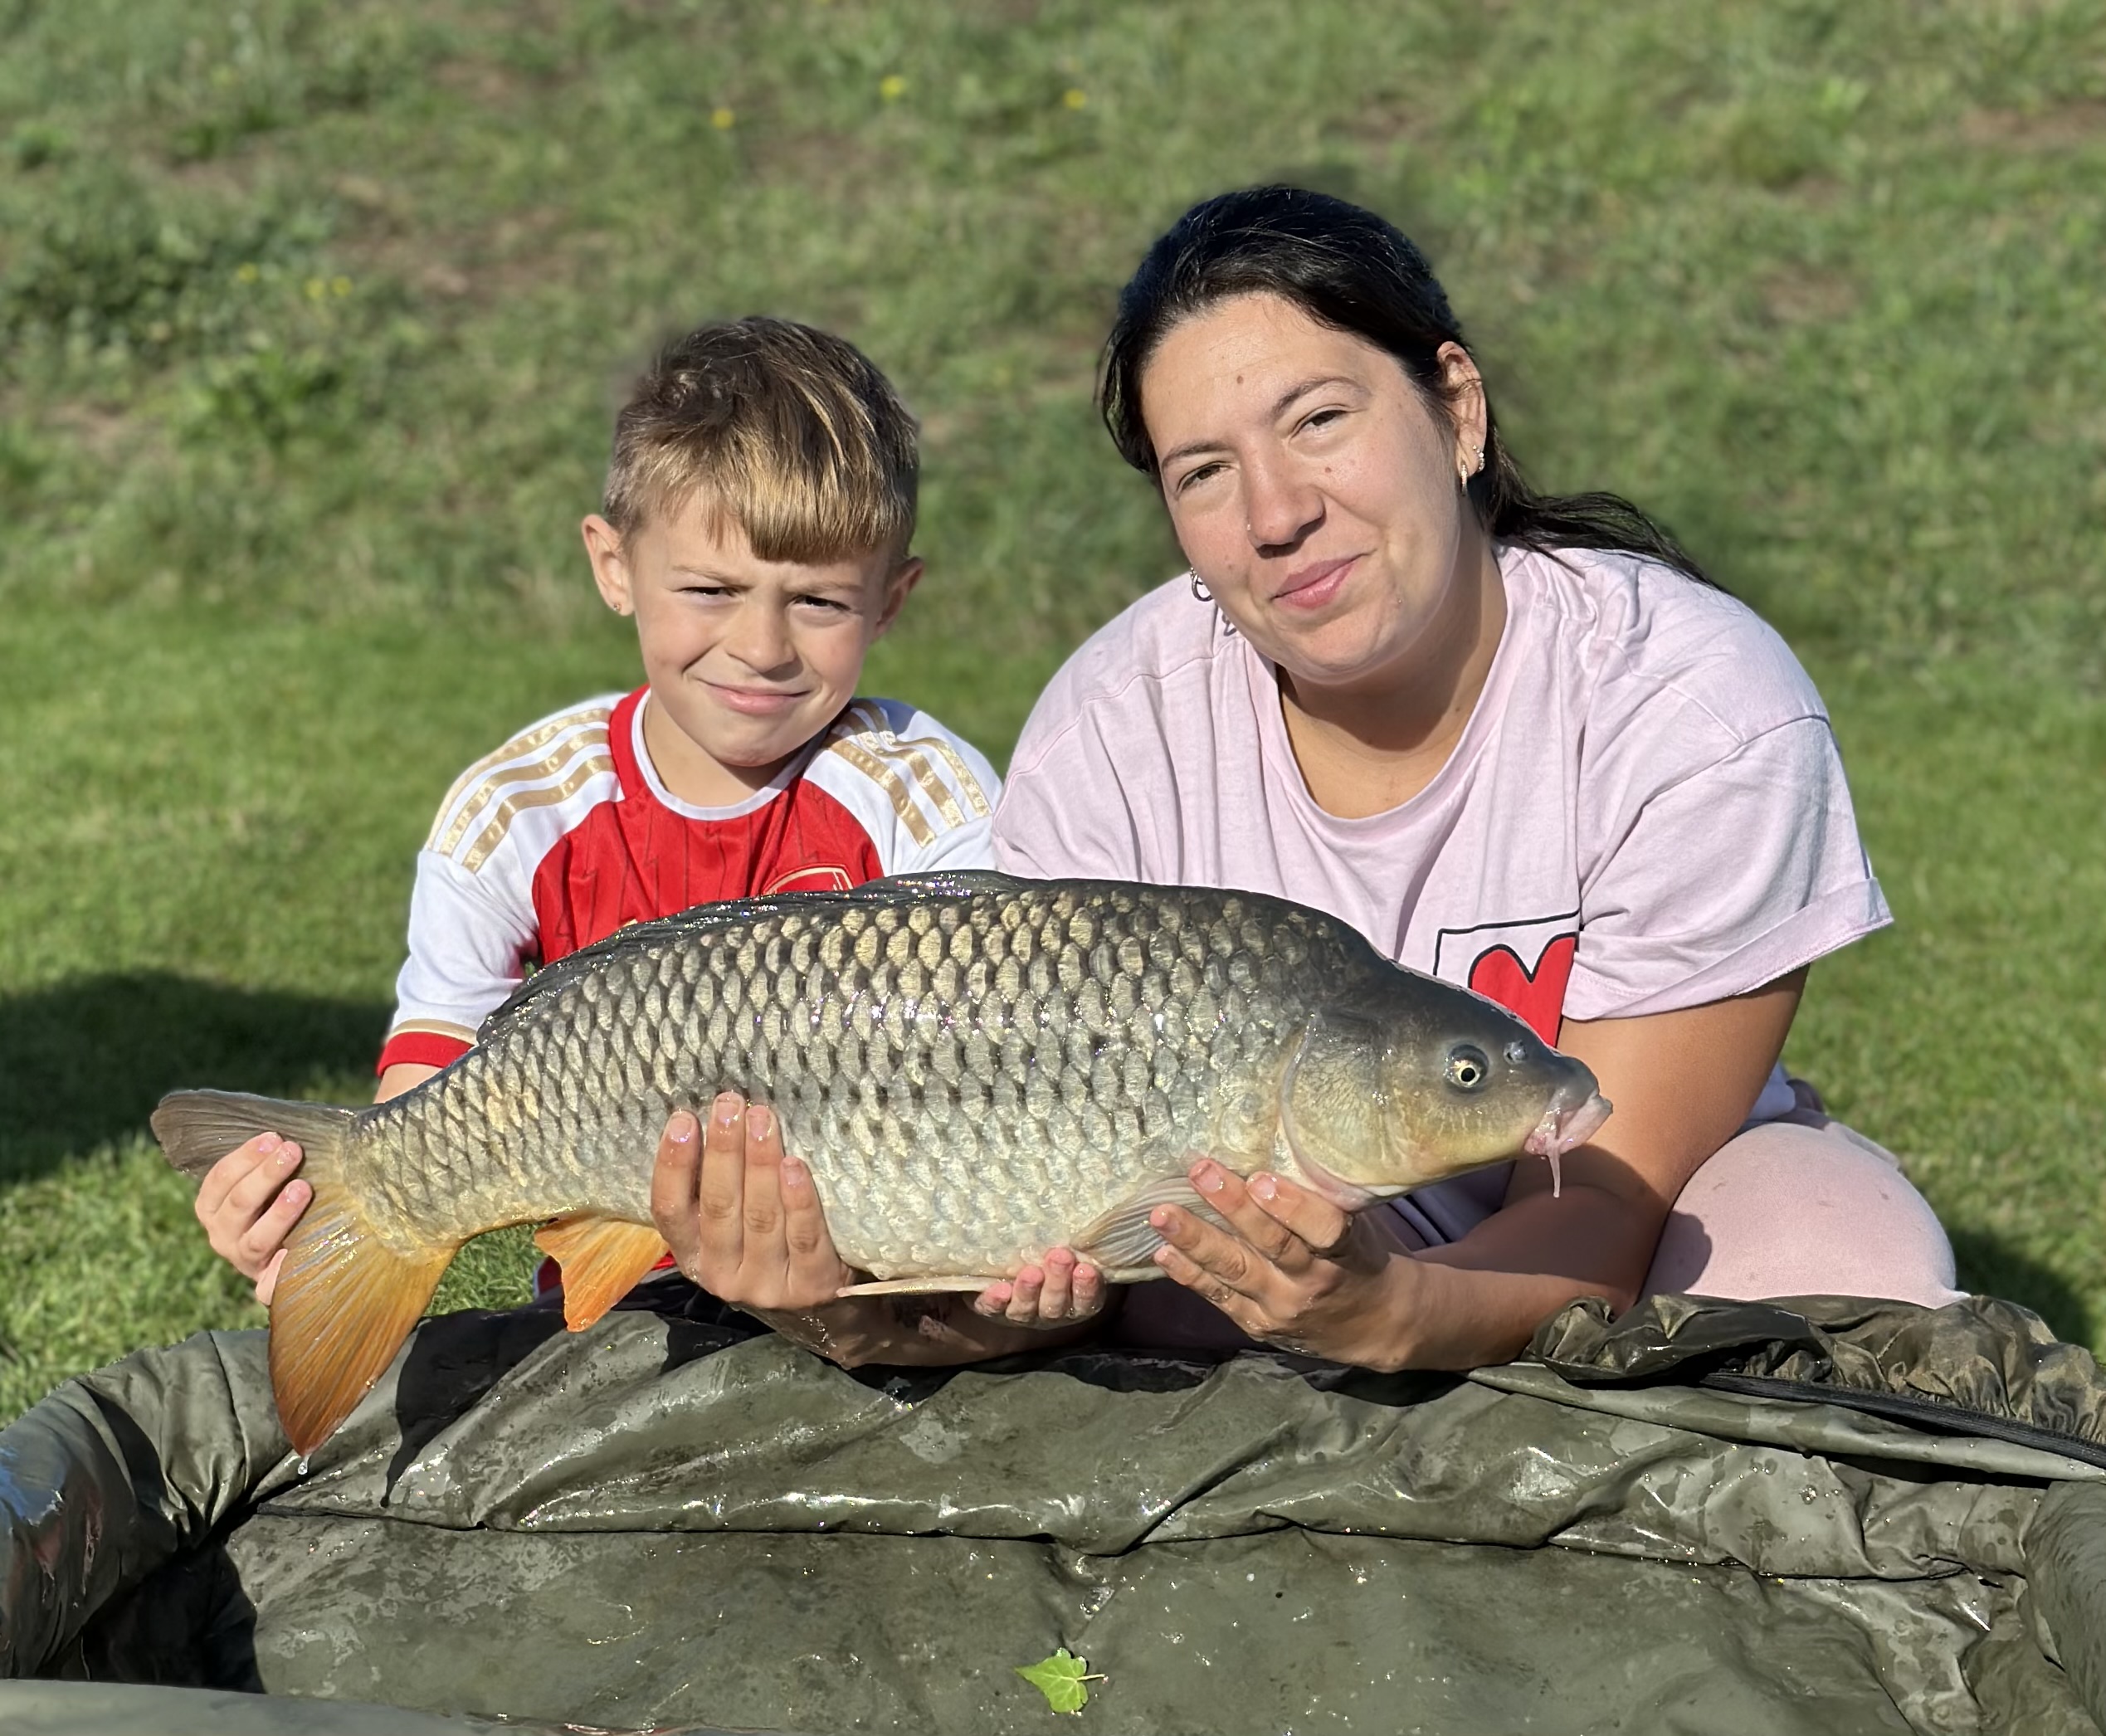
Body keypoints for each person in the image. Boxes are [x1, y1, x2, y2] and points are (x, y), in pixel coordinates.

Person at [987, 186, 1962, 1369]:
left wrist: (1385, 1314)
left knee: (1839, 1268)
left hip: (1628, 1215)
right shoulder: (1107, 735)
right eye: (1202, 473)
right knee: (1178, 1305)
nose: (1277, 513)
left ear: (1456, 410)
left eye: (1318, 420)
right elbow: (1043, 1191)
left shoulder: (1698, 707)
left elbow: (1609, 1202)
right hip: (1254, 1223)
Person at [193, 316, 1097, 1363]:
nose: (760, 647)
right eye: (709, 590)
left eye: (818, 601)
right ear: (613, 564)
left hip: (875, 1303)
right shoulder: (517, 809)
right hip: (616, 1315)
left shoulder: (928, 797)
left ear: (892, 600)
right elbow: (426, 1085)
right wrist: (323, 1213)